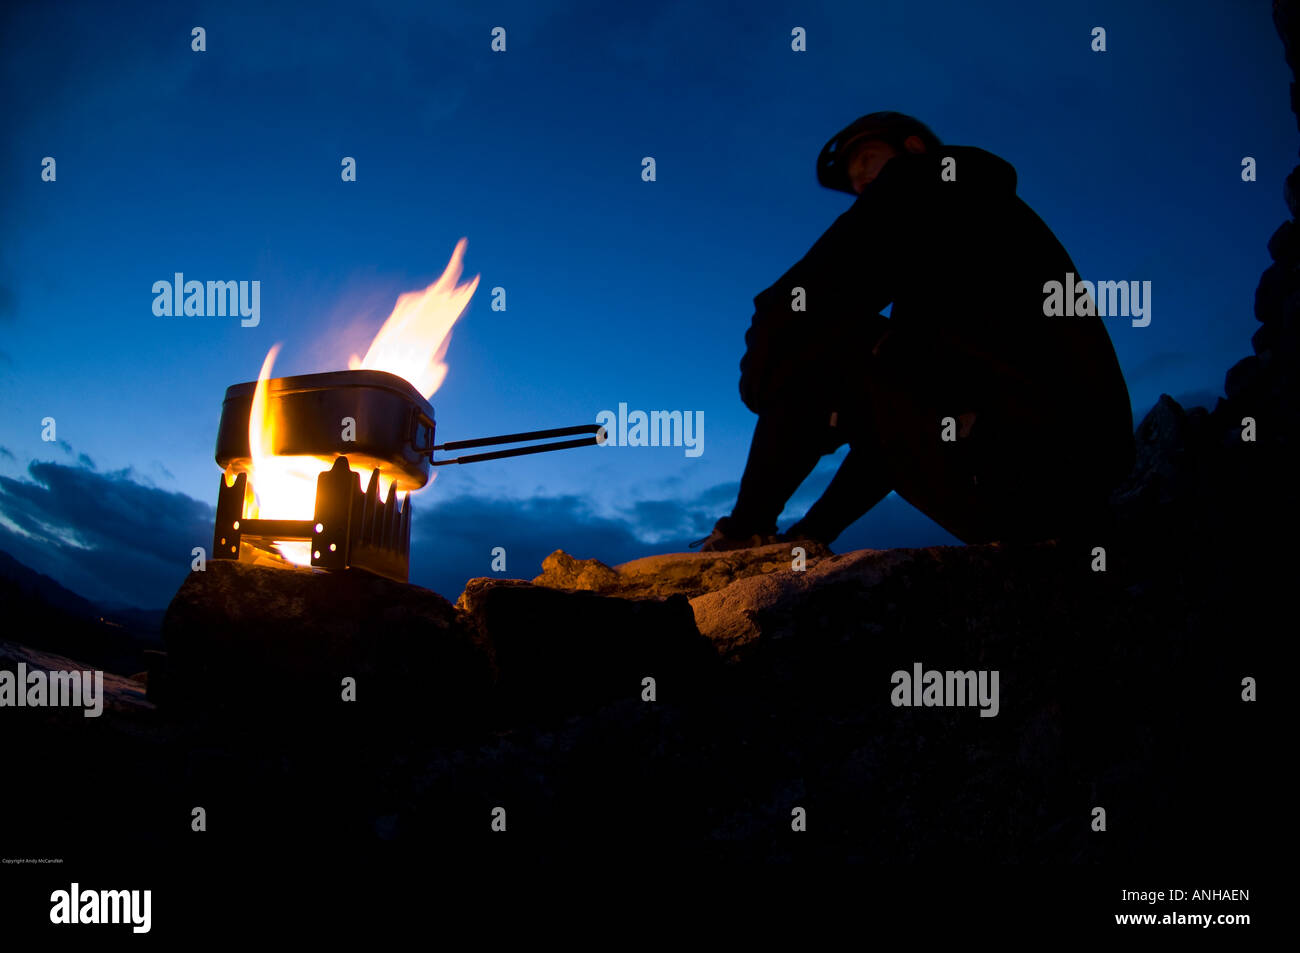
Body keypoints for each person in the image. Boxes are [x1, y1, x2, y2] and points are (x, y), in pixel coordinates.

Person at [693, 111, 1135, 552]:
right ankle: (771, 533)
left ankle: (745, 530)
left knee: (827, 344)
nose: (860, 177)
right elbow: (888, 432)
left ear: (914, 148)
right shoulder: (945, 292)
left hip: (1039, 456)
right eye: (852, 174)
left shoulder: (933, 180)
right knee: (881, 364)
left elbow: (811, 292)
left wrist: (769, 336)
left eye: (866, 158)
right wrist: (810, 536)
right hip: (1053, 491)